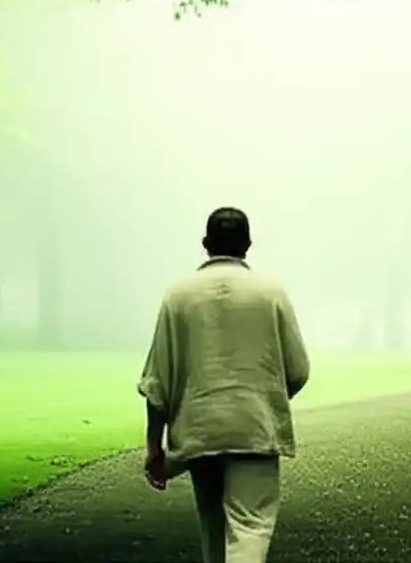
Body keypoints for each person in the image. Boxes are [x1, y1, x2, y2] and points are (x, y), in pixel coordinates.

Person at [137, 206, 310, 563]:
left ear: (205, 243)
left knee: (213, 530)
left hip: (200, 431)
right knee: (249, 529)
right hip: (254, 429)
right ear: (247, 245)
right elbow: (298, 370)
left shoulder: (178, 295)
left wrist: (154, 445)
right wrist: (266, 398)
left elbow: (159, 379)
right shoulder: (270, 293)